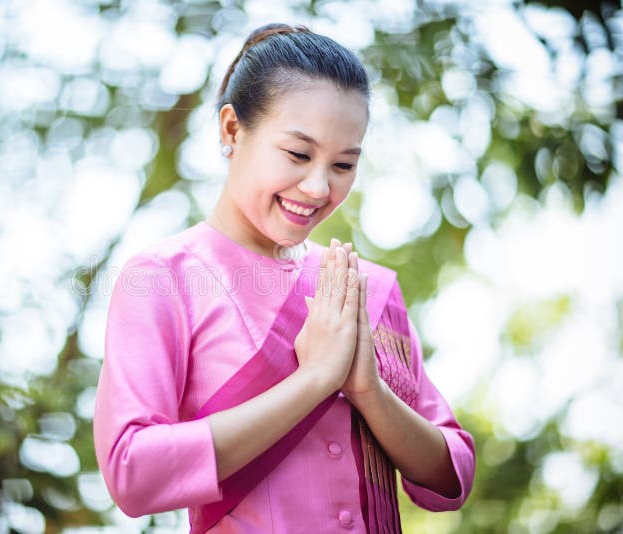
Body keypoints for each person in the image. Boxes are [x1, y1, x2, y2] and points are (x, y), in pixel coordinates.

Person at [93, 22, 476, 533]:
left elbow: (452, 476)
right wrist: (314, 381)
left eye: (343, 164)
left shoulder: (363, 288)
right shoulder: (163, 279)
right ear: (232, 130)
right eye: (298, 154)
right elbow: (132, 472)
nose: (318, 187)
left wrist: (368, 390)